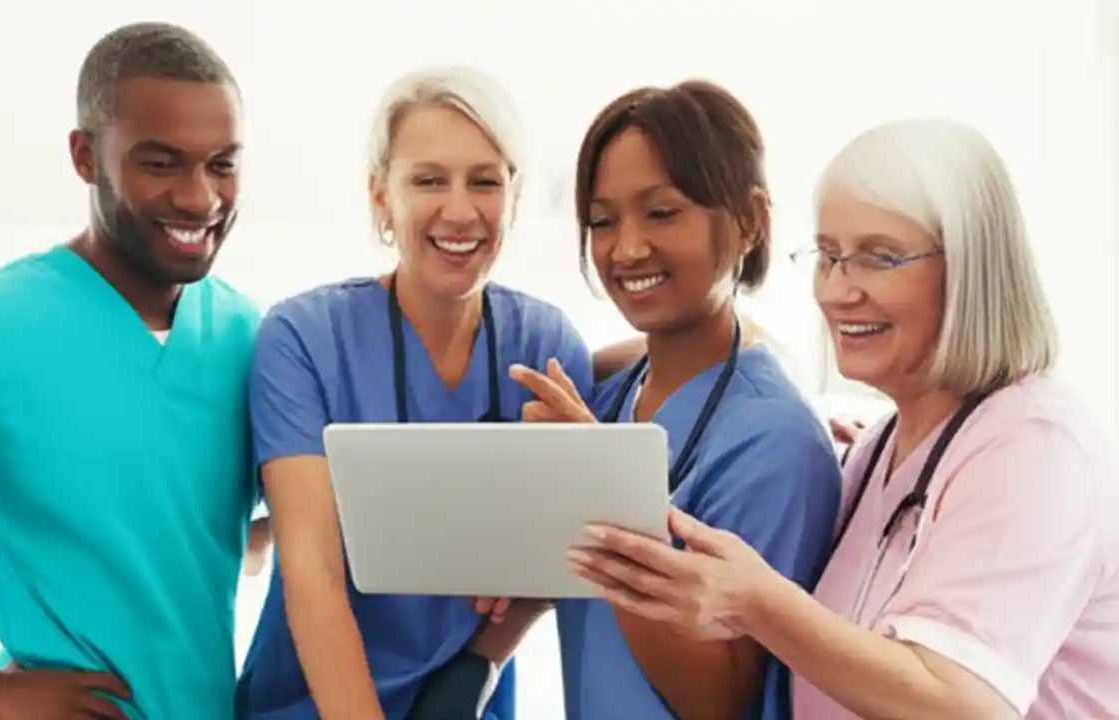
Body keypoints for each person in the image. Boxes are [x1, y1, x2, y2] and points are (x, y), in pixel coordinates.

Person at [570, 118, 1119, 719]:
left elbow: (962, 705)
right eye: (829, 256)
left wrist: (758, 602)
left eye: (879, 258)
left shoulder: (1033, 449)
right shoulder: (882, 451)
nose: (837, 292)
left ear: (972, 265)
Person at [0, 22, 260, 720]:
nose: (199, 198)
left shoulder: (248, 334)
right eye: (160, 164)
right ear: (86, 156)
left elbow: (240, 526)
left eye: (222, 163)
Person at [236, 66, 593, 720]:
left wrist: (478, 665)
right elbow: (312, 575)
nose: (459, 210)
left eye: (484, 180)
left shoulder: (546, 344)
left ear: (513, 197)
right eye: (428, 180)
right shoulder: (303, 340)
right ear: (381, 197)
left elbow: (557, 563)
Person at [512, 80, 841, 720]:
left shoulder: (777, 443)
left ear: (750, 220)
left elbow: (718, 699)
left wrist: (594, 480)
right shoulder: (610, 400)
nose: (627, 248)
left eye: (662, 212)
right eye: (602, 221)